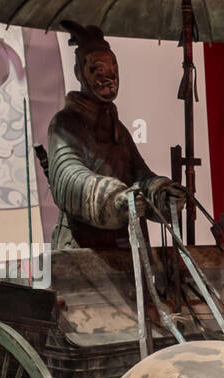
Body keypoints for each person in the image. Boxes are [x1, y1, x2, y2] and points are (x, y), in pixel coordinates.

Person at [46, 21, 187, 250]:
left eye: (113, 70)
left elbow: (140, 175)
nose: (109, 77)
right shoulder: (65, 124)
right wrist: (115, 199)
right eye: (98, 70)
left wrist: (161, 194)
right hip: (81, 248)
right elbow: (69, 177)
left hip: (124, 246)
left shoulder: (117, 129)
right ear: (79, 73)